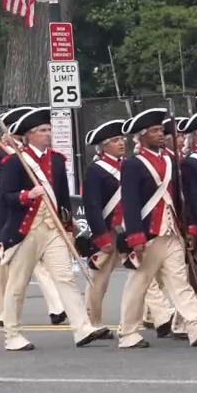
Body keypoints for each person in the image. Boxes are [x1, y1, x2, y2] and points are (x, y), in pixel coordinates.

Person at [1, 107, 110, 351]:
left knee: (65, 277)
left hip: (52, 228)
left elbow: (62, 199)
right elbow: (5, 197)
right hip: (25, 229)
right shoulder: (15, 161)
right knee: (17, 284)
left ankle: (82, 328)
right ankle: (12, 334)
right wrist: (27, 194)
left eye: (49, 129)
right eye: (42, 130)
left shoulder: (57, 160)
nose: (47, 134)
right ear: (29, 135)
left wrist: (69, 227)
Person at [118, 108, 197, 348]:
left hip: (172, 231)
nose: (161, 134)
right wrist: (135, 236)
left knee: (180, 282)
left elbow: (180, 198)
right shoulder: (133, 164)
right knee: (139, 284)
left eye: (161, 130)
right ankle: (128, 333)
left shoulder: (170, 161)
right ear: (141, 135)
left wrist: (189, 227)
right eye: (155, 130)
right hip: (148, 233)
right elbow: (131, 202)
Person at [81, 119, 128, 327]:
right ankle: (92, 322)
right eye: (116, 140)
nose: (121, 143)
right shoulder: (96, 170)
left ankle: (158, 315)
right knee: (100, 279)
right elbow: (92, 205)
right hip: (109, 229)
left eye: (122, 139)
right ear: (104, 145)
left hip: (129, 229)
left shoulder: (127, 166)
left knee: (144, 274)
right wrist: (101, 236)